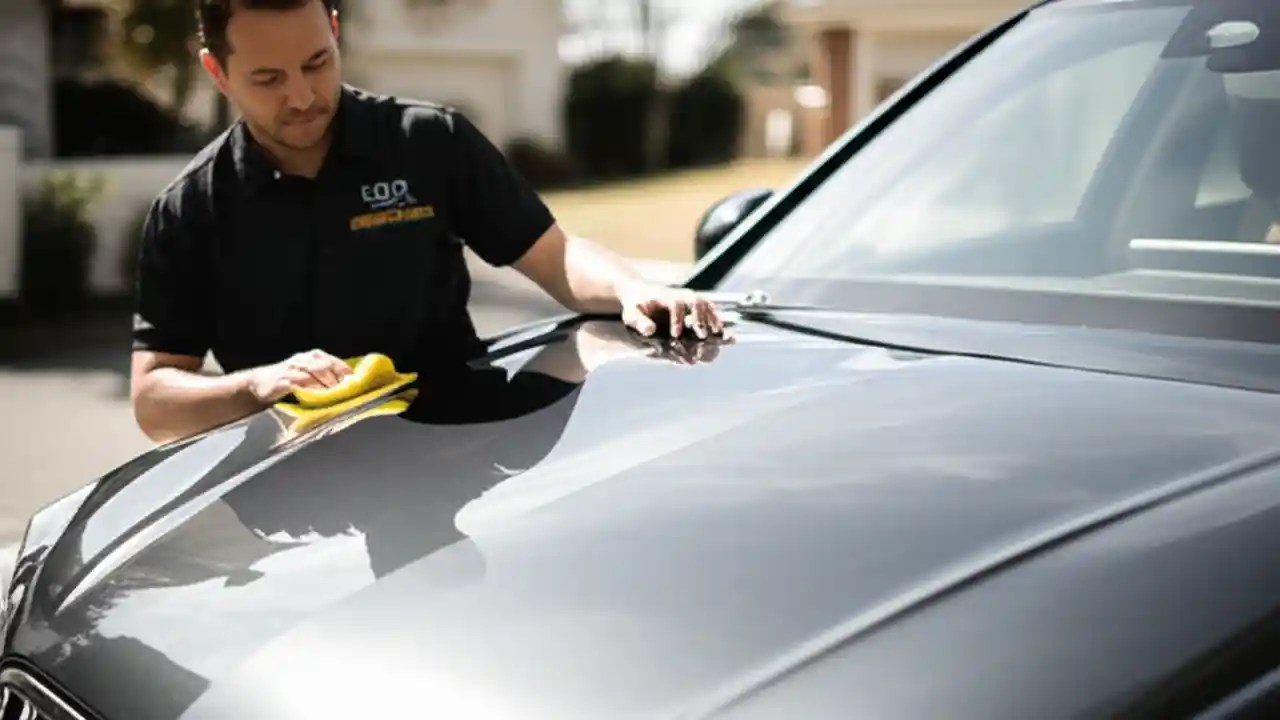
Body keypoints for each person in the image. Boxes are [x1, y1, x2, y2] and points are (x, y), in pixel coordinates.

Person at [129, 0, 726, 444]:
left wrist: (635, 290)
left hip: (457, 452)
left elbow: (554, 255)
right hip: (288, 487)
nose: (303, 95)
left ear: (335, 31)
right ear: (217, 72)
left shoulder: (429, 141)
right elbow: (155, 399)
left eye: (317, 62)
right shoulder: (190, 208)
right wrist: (258, 385)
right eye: (269, 79)